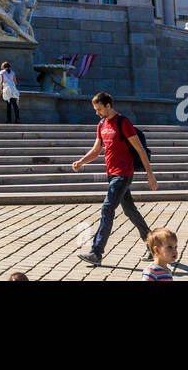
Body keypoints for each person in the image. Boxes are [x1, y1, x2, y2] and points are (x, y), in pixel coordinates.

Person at [72, 92, 158, 266]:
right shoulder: (102, 124)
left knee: (107, 209)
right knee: (130, 211)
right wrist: (81, 162)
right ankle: (152, 244)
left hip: (123, 174)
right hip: (111, 175)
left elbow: (140, 150)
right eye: (95, 109)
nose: (97, 112)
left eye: (99, 109)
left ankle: (96, 252)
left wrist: (150, 174)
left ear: (108, 106)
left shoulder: (123, 122)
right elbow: (97, 150)